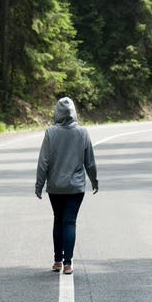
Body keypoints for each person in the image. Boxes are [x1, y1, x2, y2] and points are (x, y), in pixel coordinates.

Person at [35, 96, 98, 274]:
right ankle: (68, 263)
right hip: (75, 187)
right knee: (70, 222)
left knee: (58, 219)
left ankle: (57, 261)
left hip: (55, 186)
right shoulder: (83, 133)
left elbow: (43, 162)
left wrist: (39, 185)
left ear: (57, 113)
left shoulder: (50, 133)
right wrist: (94, 180)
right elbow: (90, 162)